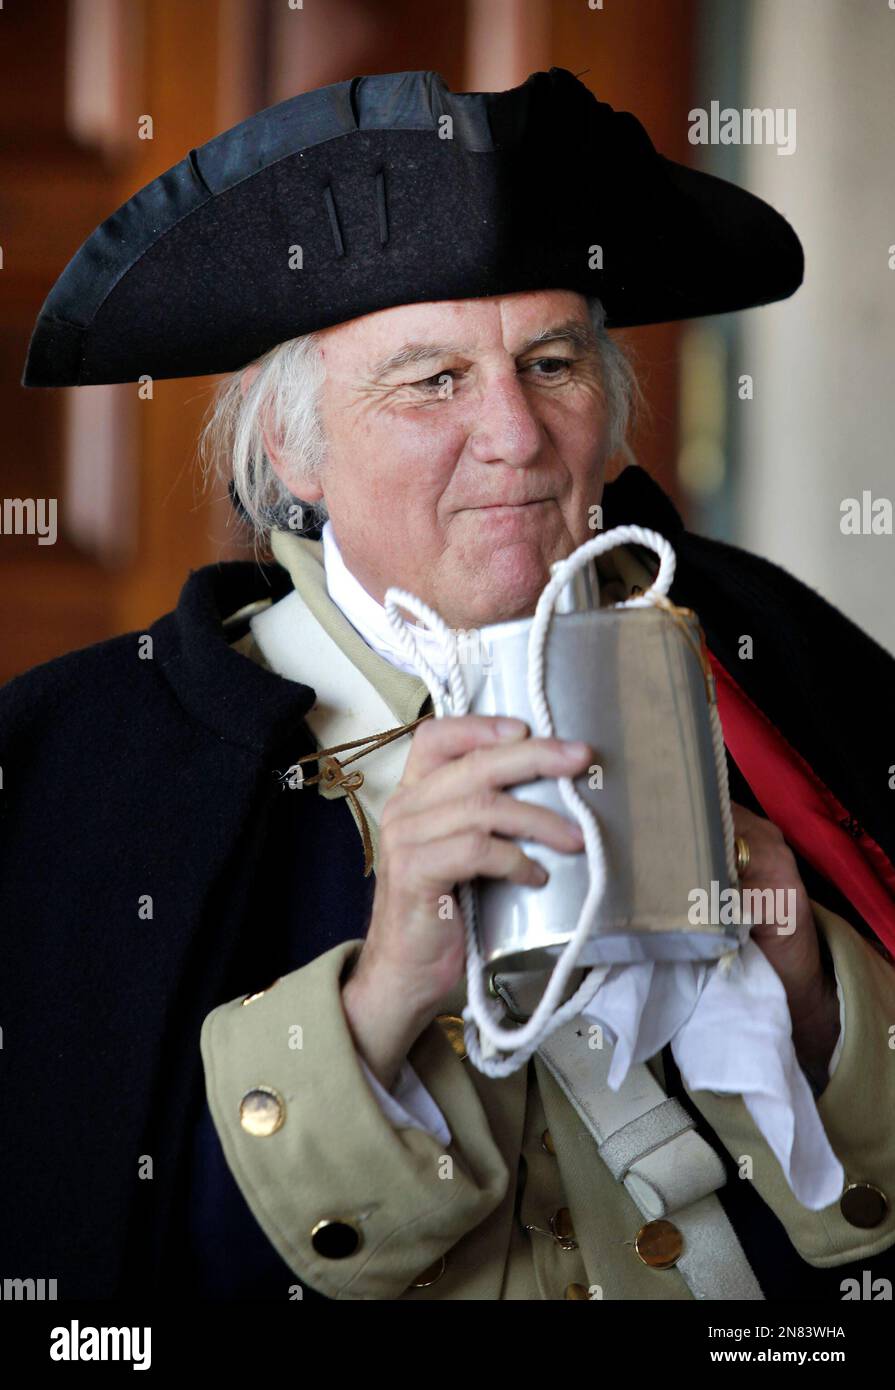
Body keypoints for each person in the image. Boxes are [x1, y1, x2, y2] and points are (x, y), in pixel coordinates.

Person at [4, 68, 895, 1302]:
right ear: (290, 449)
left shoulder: (778, 656)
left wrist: (811, 993)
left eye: (551, 362)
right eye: (431, 381)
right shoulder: (72, 769)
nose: (518, 437)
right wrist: (382, 1000)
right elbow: (93, 1271)